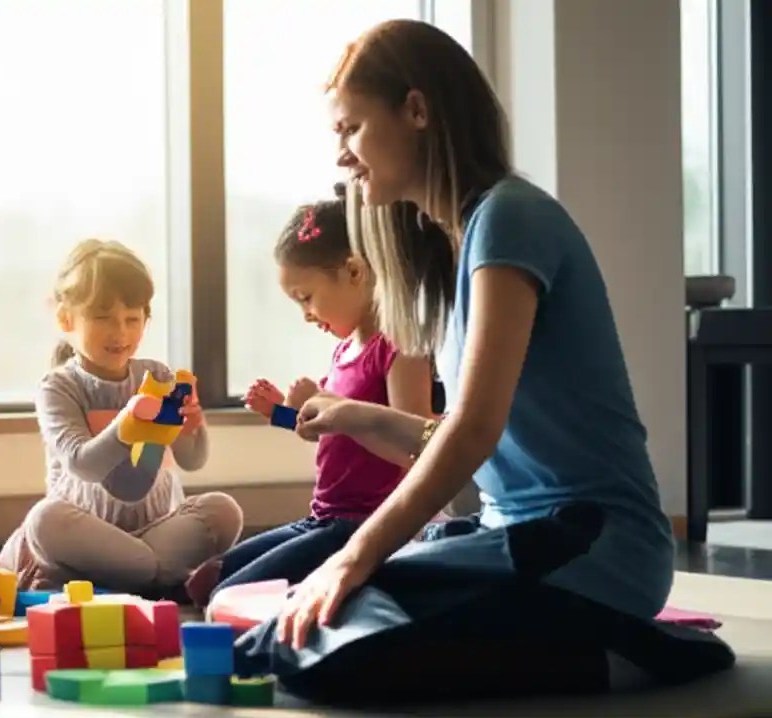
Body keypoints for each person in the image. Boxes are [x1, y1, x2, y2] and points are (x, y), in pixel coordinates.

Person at [274, 18, 675, 651]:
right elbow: (475, 438)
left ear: (415, 110)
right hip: (512, 533)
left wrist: (355, 554)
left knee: (349, 621)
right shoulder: (460, 245)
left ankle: (647, 660)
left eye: (351, 128)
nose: (341, 153)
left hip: (595, 544)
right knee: (302, 619)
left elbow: (473, 432)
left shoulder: (509, 217)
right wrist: (358, 416)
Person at [184, 197, 433, 606]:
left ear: (355, 272)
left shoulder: (400, 348)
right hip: (320, 518)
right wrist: (283, 414)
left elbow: (418, 450)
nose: (306, 314)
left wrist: (329, 403)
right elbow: (326, 433)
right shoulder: (344, 350)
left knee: (229, 597)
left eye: (306, 297)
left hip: (361, 525)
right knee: (206, 580)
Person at [0, 239, 243, 594]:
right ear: (66, 319)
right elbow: (84, 465)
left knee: (224, 510)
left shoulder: (157, 374)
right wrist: (129, 420)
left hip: (158, 529)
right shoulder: (59, 387)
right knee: (43, 520)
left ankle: (132, 574)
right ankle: (161, 577)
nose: (121, 333)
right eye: (103, 318)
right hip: (89, 535)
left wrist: (193, 427)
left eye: (133, 319)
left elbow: (192, 461)